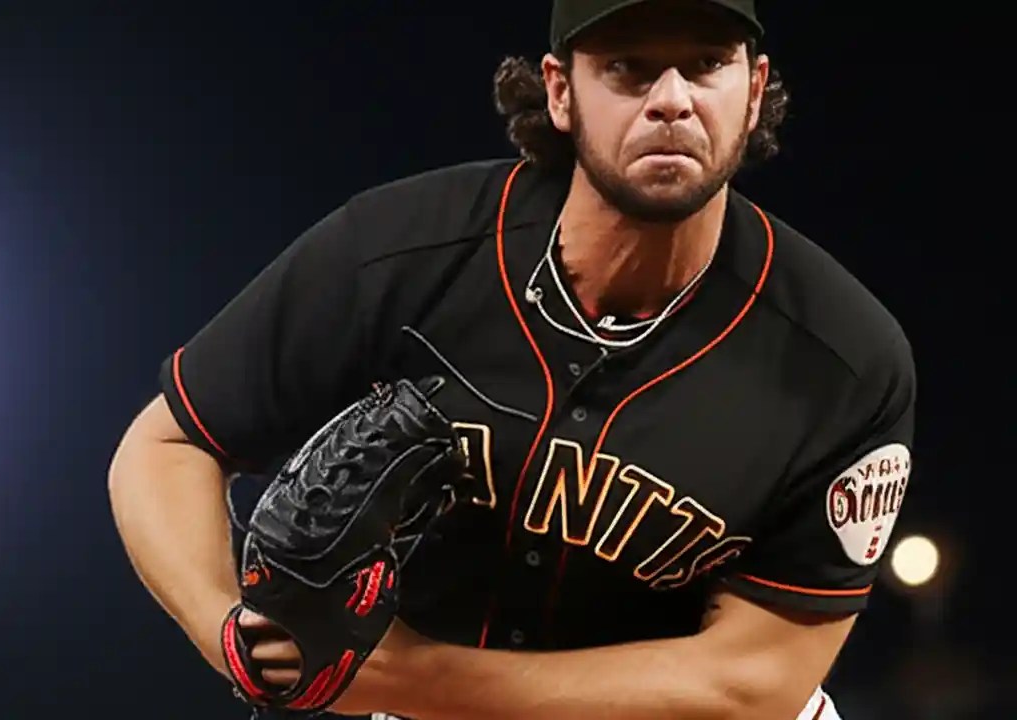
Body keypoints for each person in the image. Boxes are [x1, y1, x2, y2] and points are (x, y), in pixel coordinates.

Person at [107, 1, 916, 718]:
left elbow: (753, 684)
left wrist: (409, 680)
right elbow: (165, 446)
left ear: (753, 88)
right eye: (627, 68)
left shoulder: (844, 359)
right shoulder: (402, 252)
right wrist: (228, 634)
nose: (672, 99)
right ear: (560, 91)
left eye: (707, 64)